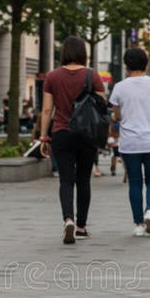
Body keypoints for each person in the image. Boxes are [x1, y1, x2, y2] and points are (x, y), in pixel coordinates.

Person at [39, 36, 105, 244]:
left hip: (61, 132)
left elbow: (47, 109)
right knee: (84, 179)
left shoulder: (52, 77)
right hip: (86, 134)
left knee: (66, 180)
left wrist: (43, 136)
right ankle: (81, 227)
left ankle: (68, 218)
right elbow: (102, 104)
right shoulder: (91, 75)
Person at [108, 47, 150, 237]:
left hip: (130, 142)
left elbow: (117, 115)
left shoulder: (120, 87)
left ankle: (139, 224)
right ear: (146, 63)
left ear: (126, 65)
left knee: (134, 182)